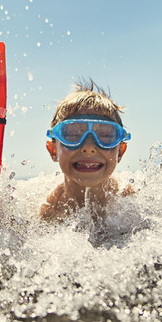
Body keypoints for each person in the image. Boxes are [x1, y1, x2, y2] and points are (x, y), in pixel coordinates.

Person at [40, 80, 132, 221]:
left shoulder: (130, 200)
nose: (88, 147)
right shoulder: (49, 210)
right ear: (53, 150)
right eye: (72, 135)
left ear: (120, 152)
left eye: (106, 136)